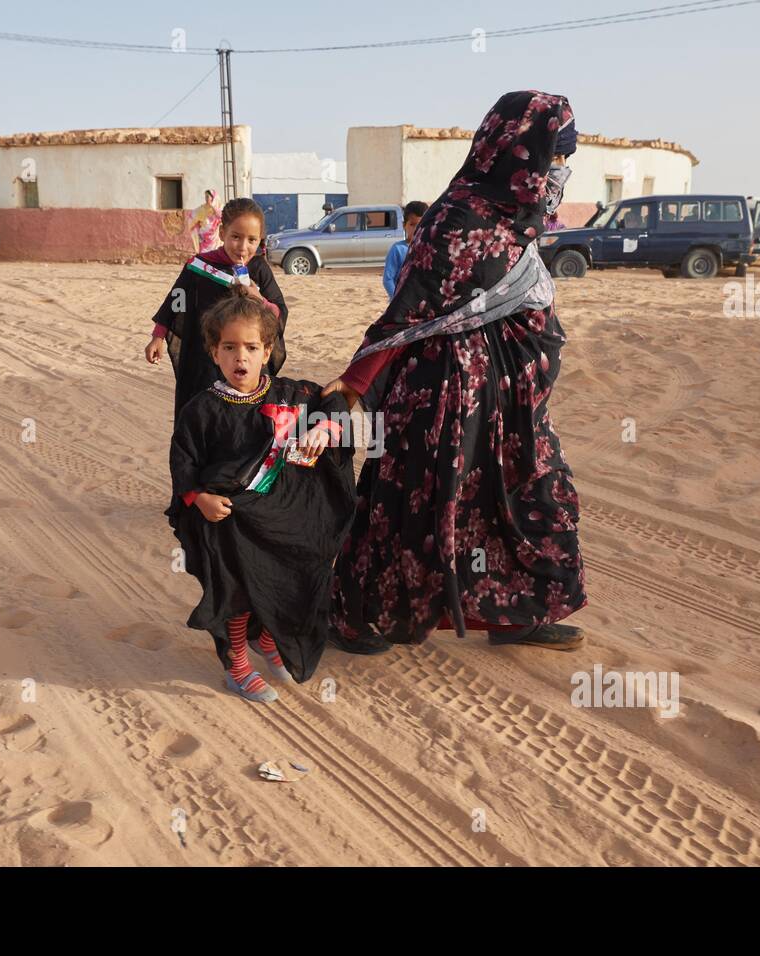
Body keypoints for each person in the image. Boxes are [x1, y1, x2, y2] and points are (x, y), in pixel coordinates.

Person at [321, 90, 588, 655]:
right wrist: (357, 382)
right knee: (413, 506)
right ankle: (355, 614)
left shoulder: (520, 220)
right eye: (552, 159)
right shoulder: (456, 217)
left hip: (512, 409)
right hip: (441, 398)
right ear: (516, 153)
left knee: (525, 497)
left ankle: (517, 611)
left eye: (563, 160)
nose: (557, 172)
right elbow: (408, 313)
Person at [166, 294, 357, 701]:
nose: (241, 357)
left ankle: (268, 637)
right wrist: (198, 497)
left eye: (251, 348)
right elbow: (182, 461)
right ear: (214, 351)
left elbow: (336, 402)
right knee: (237, 588)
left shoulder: (292, 394)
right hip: (228, 519)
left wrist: (322, 430)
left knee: (294, 571)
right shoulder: (201, 410)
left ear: (267, 351)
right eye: (229, 347)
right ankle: (237, 662)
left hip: (279, 515)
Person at [146, 198, 289, 417]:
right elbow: (176, 299)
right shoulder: (199, 267)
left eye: (252, 240)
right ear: (222, 234)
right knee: (202, 413)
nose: (243, 247)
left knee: (243, 415)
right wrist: (158, 336)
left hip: (244, 360)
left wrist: (258, 298)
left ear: (260, 240)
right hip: (203, 359)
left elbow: (279, 311)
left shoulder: (259, 268)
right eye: (235, 237)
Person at [382, 200, 430, 298]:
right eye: (412, 225)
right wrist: (397, 299)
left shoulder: (429, 249)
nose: (416, 229)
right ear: (404, 225)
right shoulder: (397, 249)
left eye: (420, 224)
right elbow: (388, 279)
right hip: (402, 304)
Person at [186, 189, 222, 253]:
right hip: (204, 237)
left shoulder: (217, 208)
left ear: (212, 198)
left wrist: (213, 207)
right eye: (205, 197)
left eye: (208, 197)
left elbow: (221, 218)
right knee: (204, 253)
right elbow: (193, 216)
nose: (206, 198)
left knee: (214, 253)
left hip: (214, 237)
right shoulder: (202, 208)